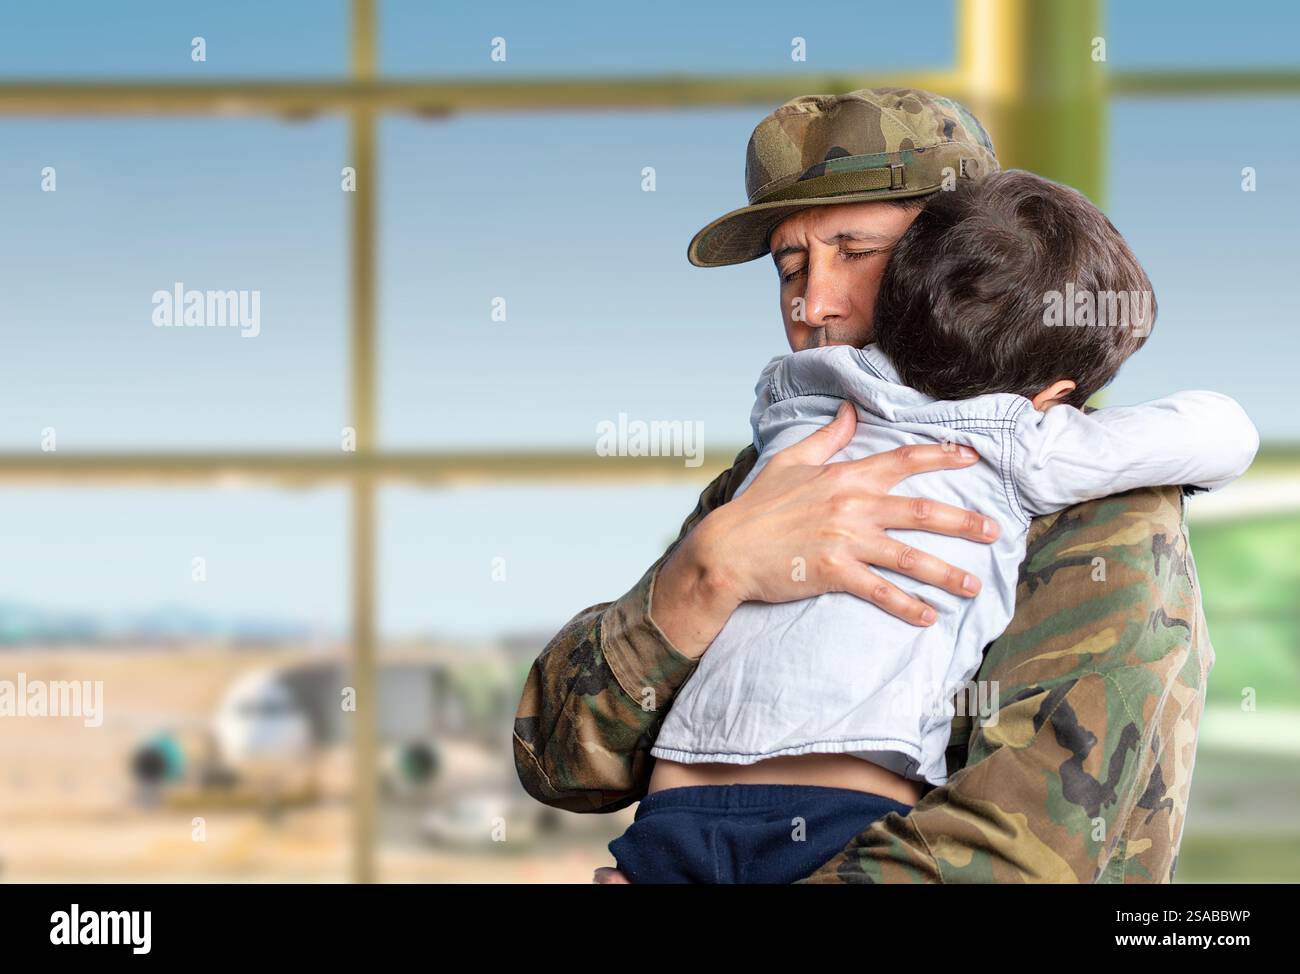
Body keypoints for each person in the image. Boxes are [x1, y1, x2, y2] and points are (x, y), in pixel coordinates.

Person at [513, 87, 1219, 883]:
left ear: (966, 257)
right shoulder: (772, 477)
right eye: (790, 267)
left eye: (857, 254)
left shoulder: (1095, 504)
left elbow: (1014, 857)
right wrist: (701, 576)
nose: (813, 304)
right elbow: (559, 764)